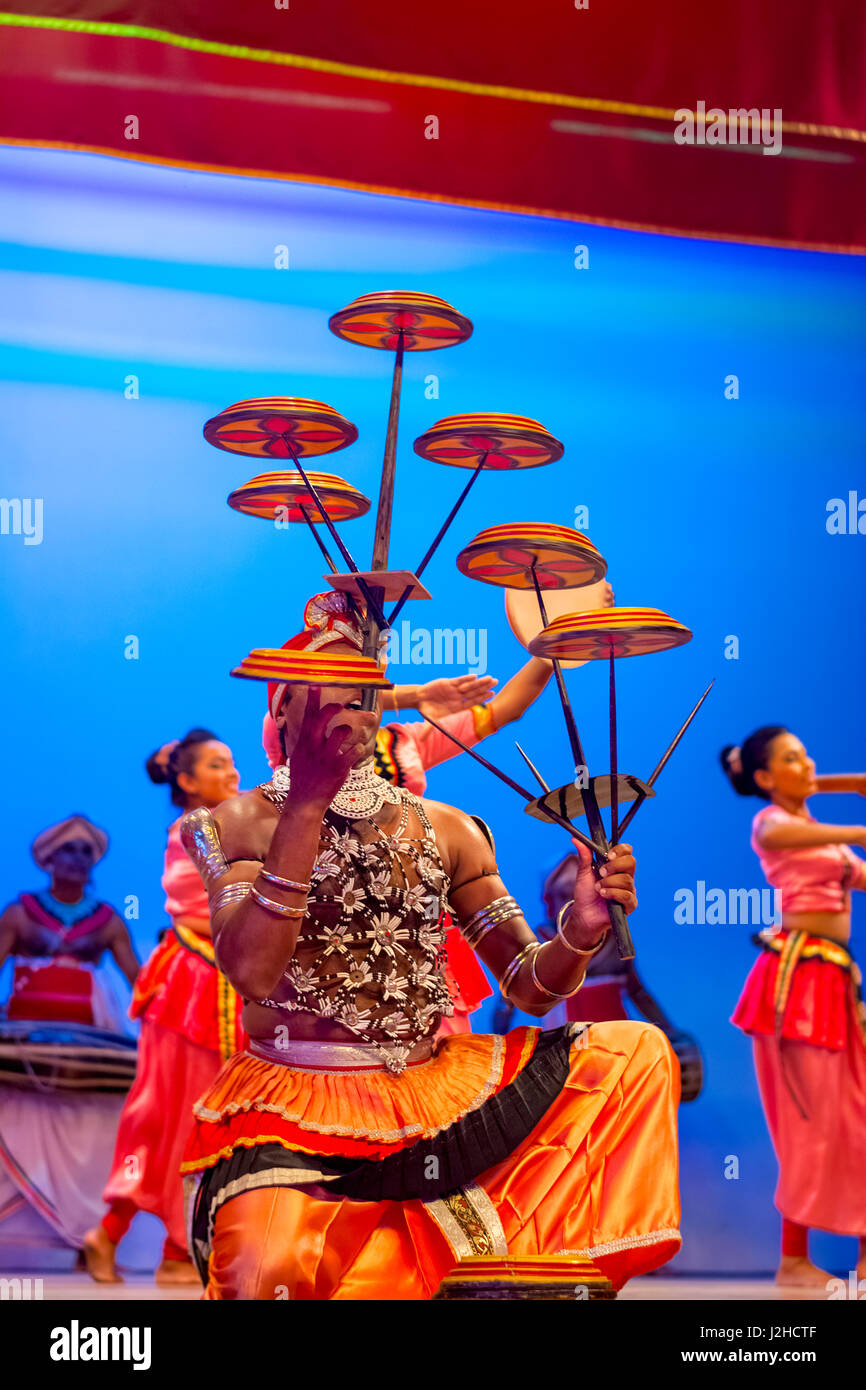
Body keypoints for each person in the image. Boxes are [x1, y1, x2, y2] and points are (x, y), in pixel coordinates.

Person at [180, 591, 681, 1299]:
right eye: (312, 696)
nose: (337, 712)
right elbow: (253, 972)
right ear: (278, 712)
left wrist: (580, 927)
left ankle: (521, 1266)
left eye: (354, 695)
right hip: (291, 1104)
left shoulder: (448, 828)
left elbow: (530, 985)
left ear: (378, 709)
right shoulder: (229, 825)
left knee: (633, 1055)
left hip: (432, 1092)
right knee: (267, 1278)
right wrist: (306, 809)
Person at [263, 660, 556, 1036]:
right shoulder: (296, 736)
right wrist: (415, 696)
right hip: (336, 923)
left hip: (417, 916)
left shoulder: (402, 743)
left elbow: (506, 709)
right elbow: (285, 706)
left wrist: (548, 649)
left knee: (440, 1050)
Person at [84, 730, 246, 1286]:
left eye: (232, 762)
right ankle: (109, 1231)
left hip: (227, 987)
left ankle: (180, 1249)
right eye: (217, 765)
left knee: (213, 1120)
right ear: (186, 780)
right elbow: (204, 907)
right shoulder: (192, 830)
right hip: (188, 986)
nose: (232, 772)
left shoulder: (234, 822)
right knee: (162, 1117)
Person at [722, 727, 866, 1287]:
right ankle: (793, 1261)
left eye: (808, 755)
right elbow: (791, 831)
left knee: (856, 1121)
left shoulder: (825, 842)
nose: (806, 763)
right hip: (794, 983)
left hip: (834, 984)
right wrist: (851, 807)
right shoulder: (771, 825)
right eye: (791, 758)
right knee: (808, 1124)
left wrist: (844, 785)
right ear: (763, 778)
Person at [0, 817, 139, 1254]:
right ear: (48, 859)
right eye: (69, 850)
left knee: (94, 1131)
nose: (78, 859)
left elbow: (139, 979)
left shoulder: (107, 919)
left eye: (86, 851)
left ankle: (85, 1233)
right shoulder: (20, 913)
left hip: (87, 1048)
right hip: (24, 1045)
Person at [493, 853, 704, 1102]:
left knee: (617, 1098)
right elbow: (509, 1000)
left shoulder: (615, 940)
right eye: (564, 894)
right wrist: (500, 1052)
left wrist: (670, 1031)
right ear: (549, 901)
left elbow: (637, 992)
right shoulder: (537, 945)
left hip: (614, 1036)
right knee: (576, 1096)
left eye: (580, 892)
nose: (573, 901)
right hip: (568, 1042)